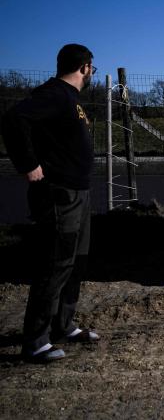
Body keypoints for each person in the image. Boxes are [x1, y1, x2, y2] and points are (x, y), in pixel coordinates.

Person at [1, 44, 101, 363]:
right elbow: (14, 119)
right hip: (59, 195)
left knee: (76, 262)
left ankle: (63, 325)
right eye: (92, 69)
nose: (91, 74)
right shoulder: (55, 93)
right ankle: (36, 341)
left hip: (79, 193)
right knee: (55, 264)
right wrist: (28, 164)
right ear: (85, 67)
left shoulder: (69, 99)